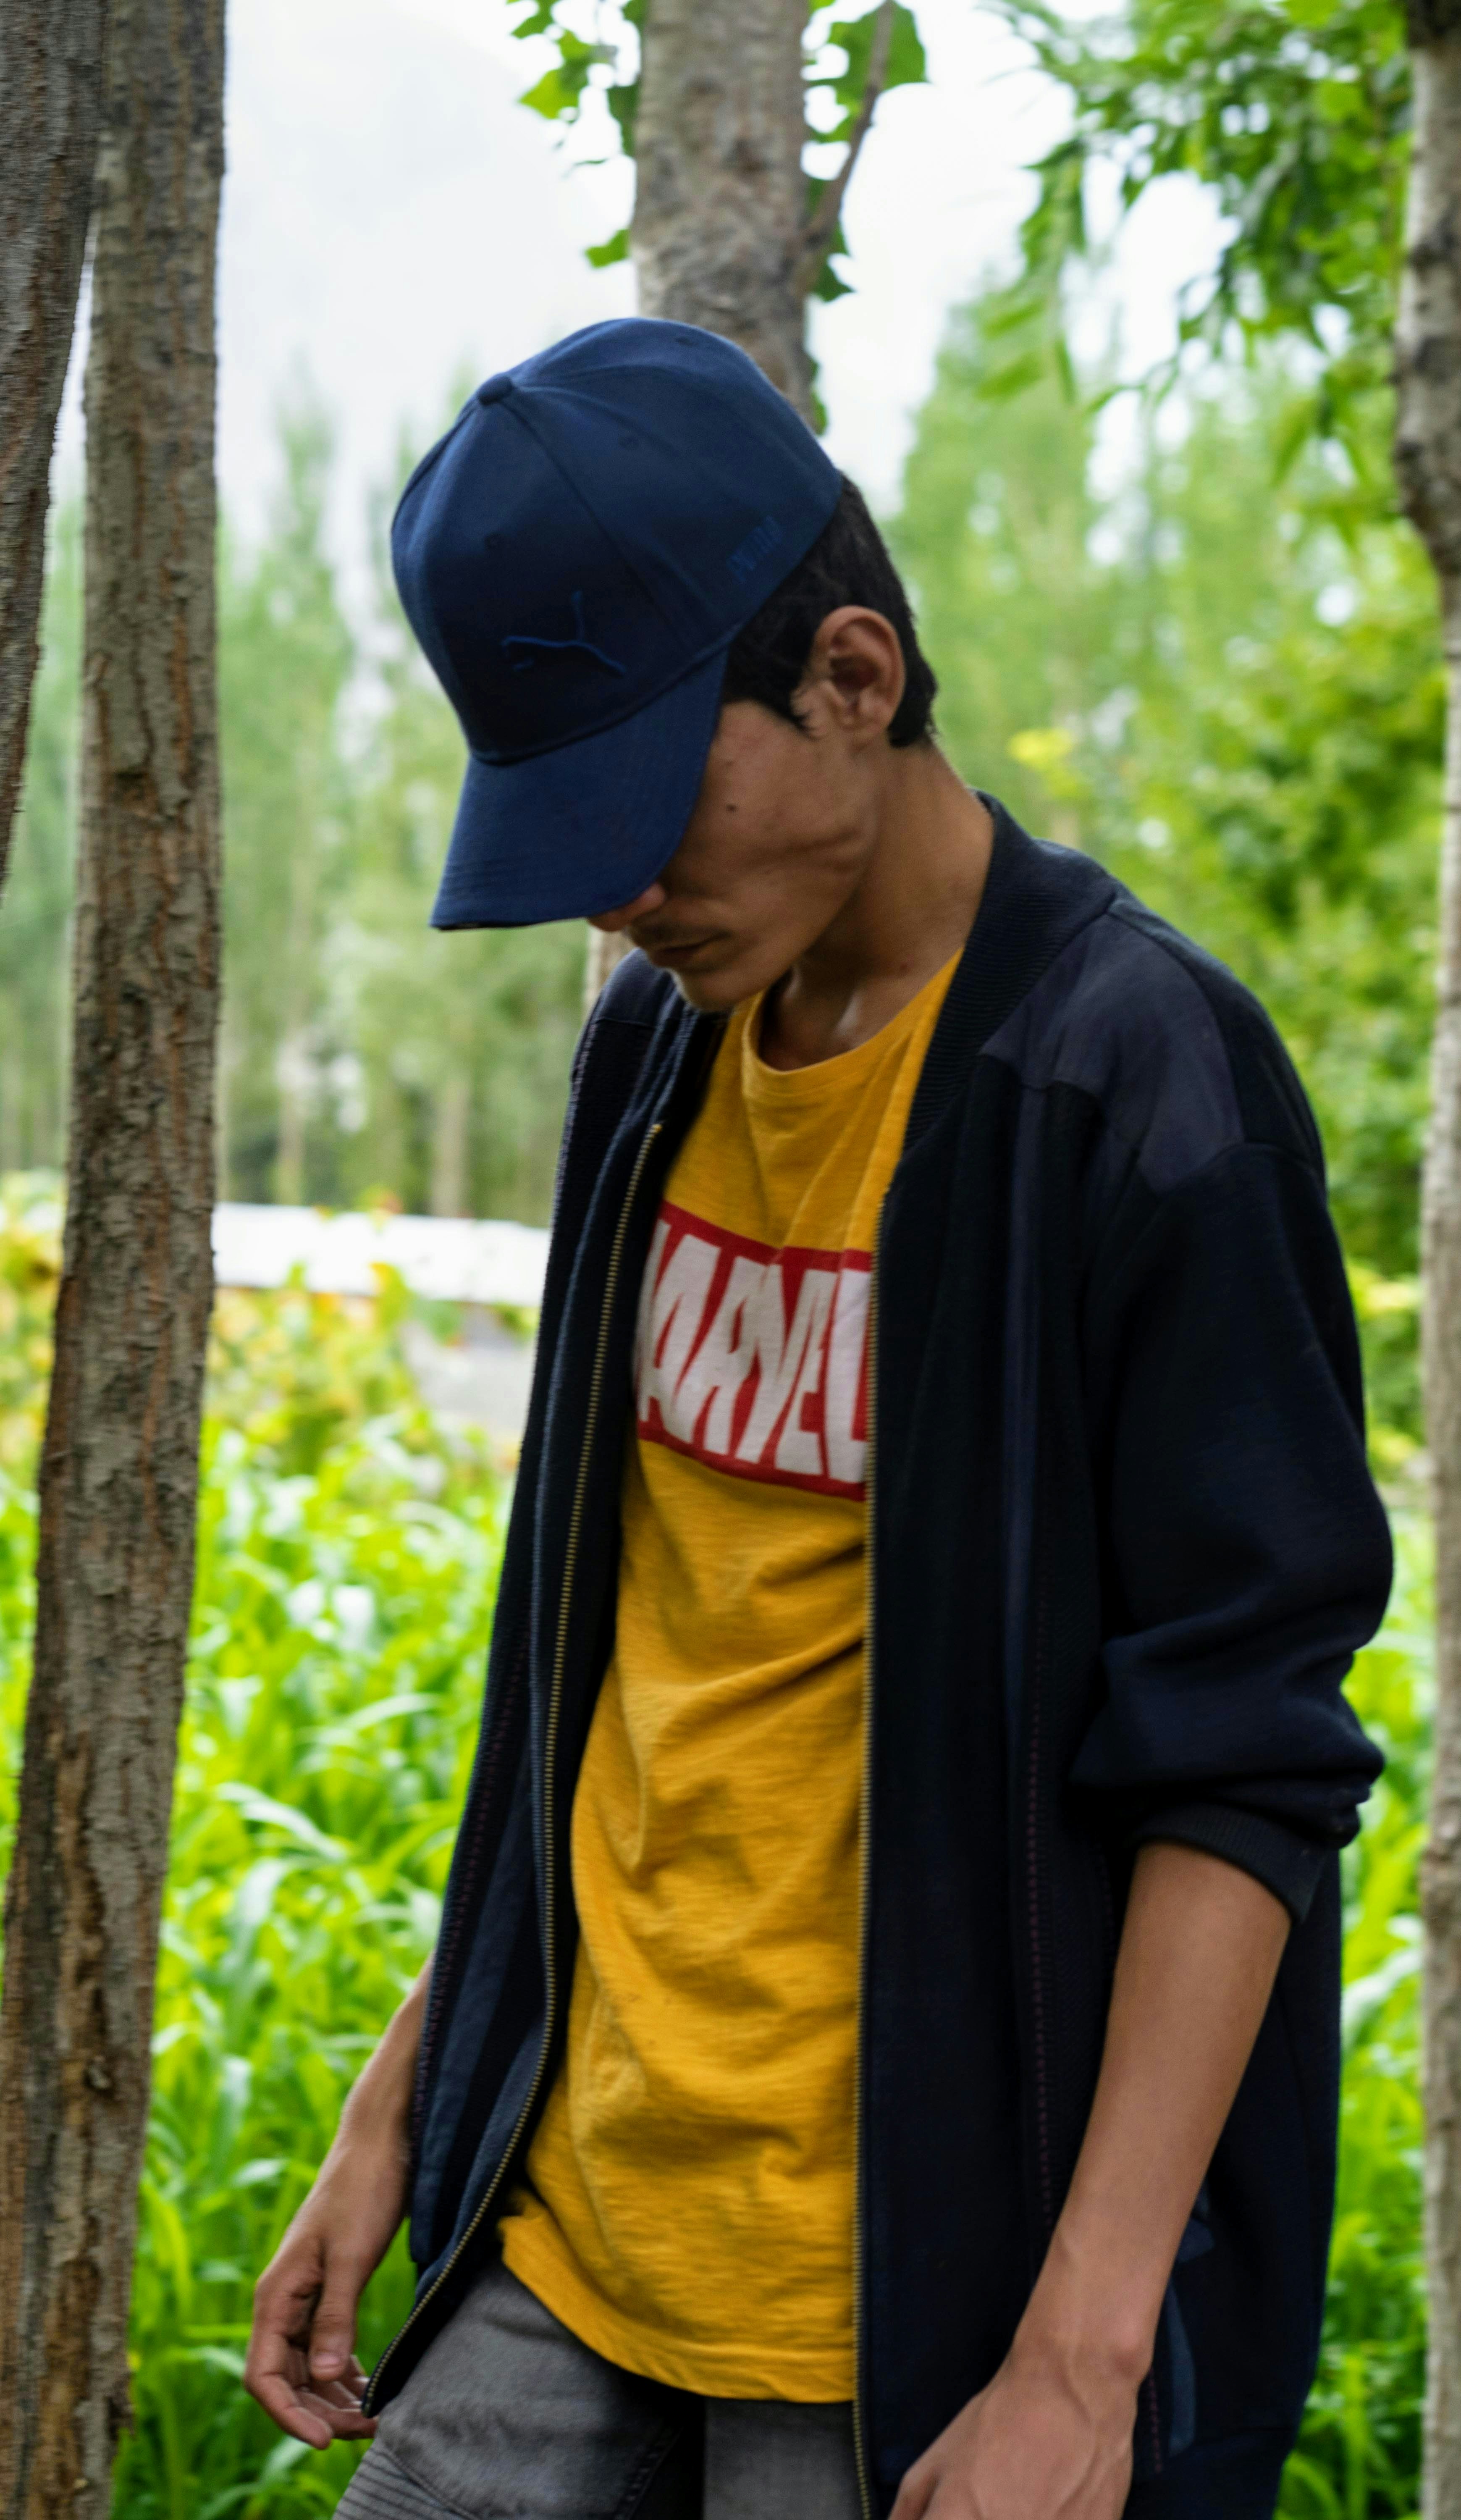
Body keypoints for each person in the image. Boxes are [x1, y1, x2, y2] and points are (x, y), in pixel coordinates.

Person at [244, 318, 1390, 2520]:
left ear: (855, 677)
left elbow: (1245, 1765)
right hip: (573, 2223)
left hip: (913, 2305)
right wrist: (414, 2093)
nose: (617, 889)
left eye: (649, 801)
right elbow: (619, 1657)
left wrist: (1082, 2360)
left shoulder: (1131, 1084)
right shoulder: (655, 1054)